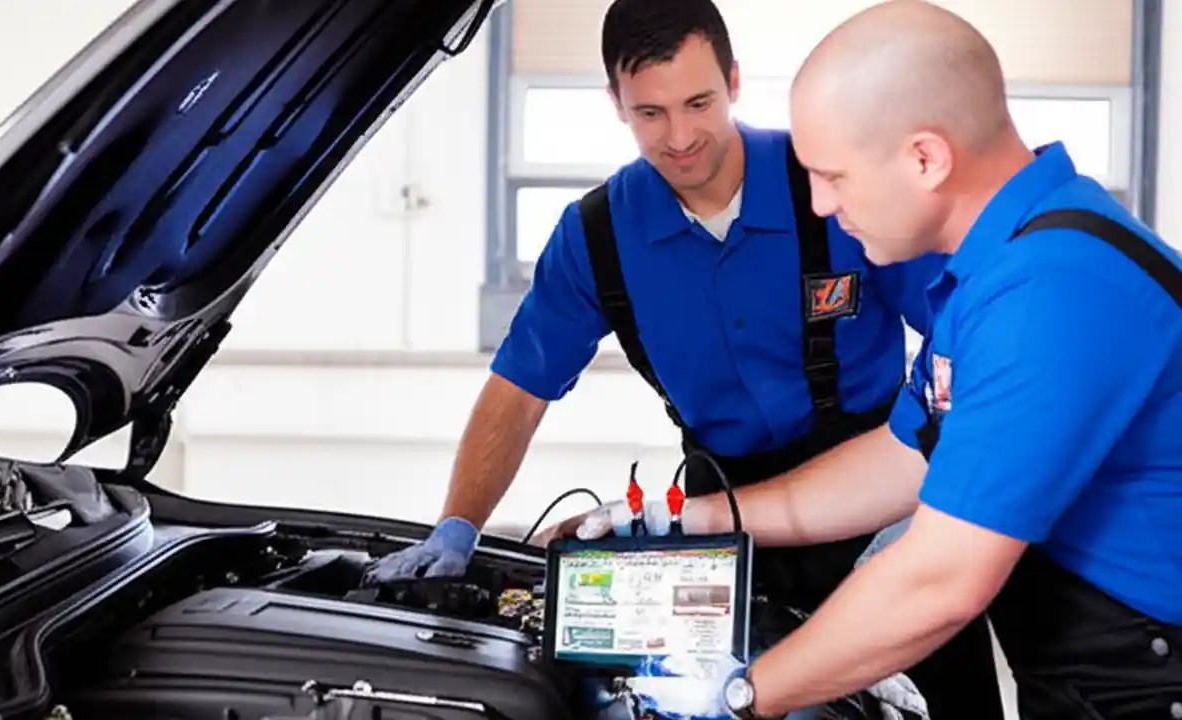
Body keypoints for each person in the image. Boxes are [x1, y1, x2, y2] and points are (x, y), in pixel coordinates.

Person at [365, 0, 1004, 716]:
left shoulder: (831, 187)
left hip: (882, 506)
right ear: (615, 104)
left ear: (733, 79)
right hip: (724, 531)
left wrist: (943, 498)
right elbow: (519, 388)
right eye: (650, 113)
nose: (680, 137)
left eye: (699, 102)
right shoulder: (598, 237)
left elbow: (971, 335)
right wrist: (459, 525)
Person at [565, 1, 1182, 717]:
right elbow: (899, 460)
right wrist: (697, 517)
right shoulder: (1001, 270)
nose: (821, 206)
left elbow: (940, 583)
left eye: (834, 176)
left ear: (925, 157)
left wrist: (741, 694)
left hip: (1149, 680)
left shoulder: (1050, 291)